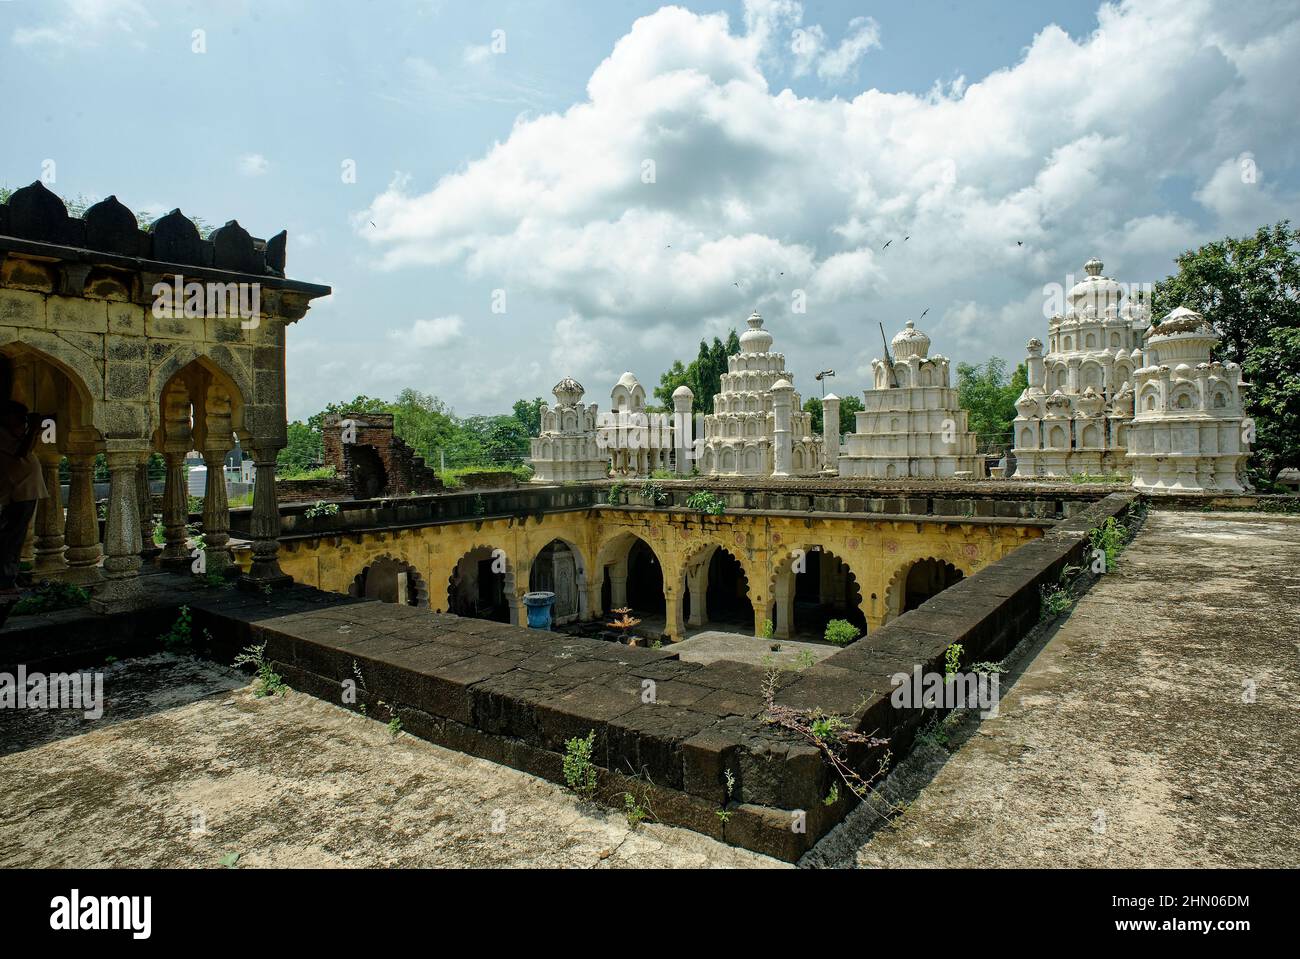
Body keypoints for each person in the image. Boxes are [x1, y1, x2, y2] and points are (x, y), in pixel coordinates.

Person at [0, 400, 49, 599]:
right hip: (18, 492)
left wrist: (32, 429)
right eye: (18, 418)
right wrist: (34, 428)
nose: (21, 422)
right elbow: (22, 452)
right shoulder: (1, 434)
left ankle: (10, 577)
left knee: (15, 537)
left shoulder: (11, 434)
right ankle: (5, 581)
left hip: (25, 491)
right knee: (11, 538)